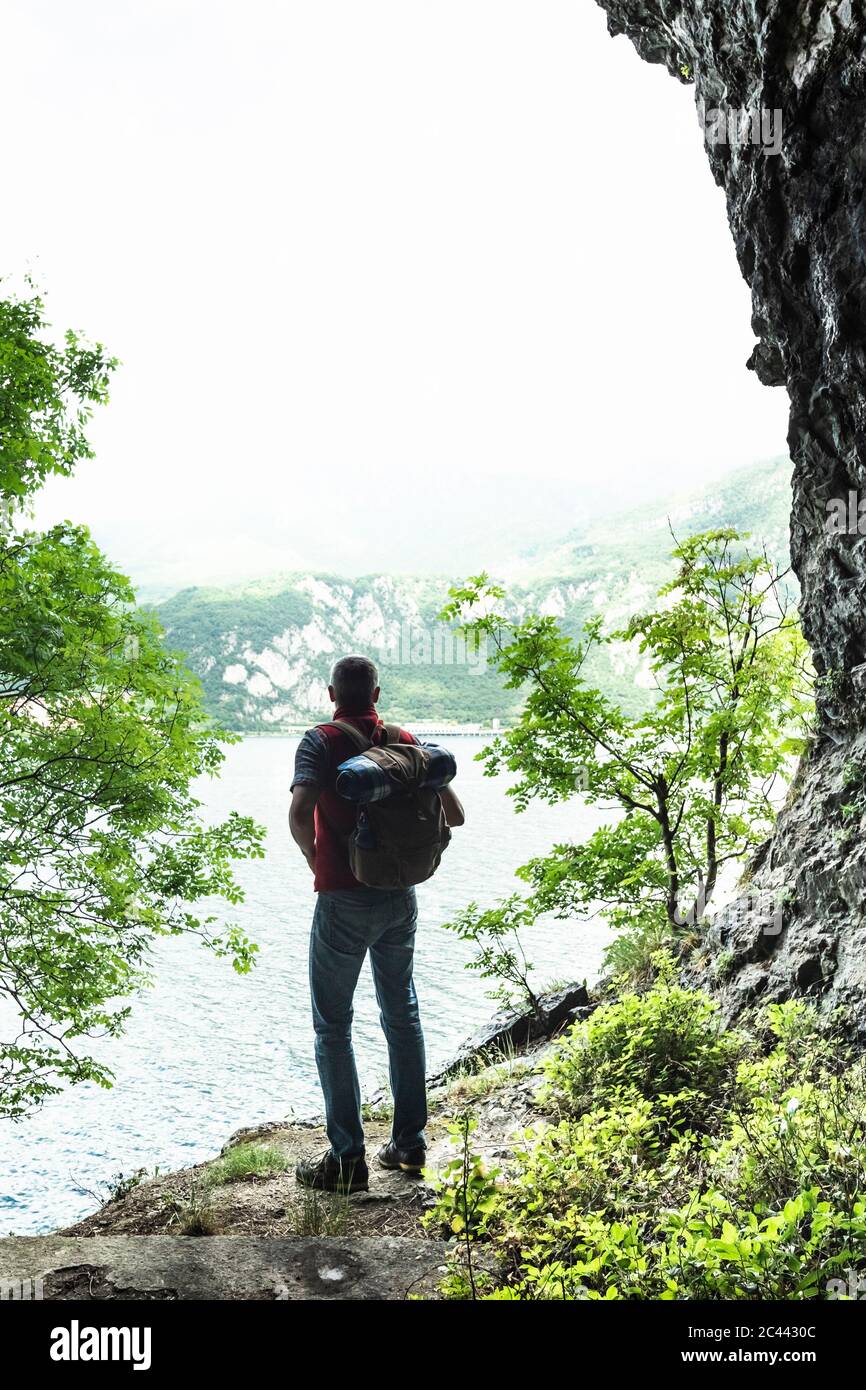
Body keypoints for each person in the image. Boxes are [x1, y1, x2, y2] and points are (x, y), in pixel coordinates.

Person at [289, 654, 465, 1193]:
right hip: (399, 897)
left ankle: (346, 1161)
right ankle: (409, 1147)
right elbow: (453, 814)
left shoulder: (320, 742)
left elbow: (299, 816)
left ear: (330, 693)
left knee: (332, 1025)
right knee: (402, 1014)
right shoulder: (402, 738)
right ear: (378, 694)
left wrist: (319, 863)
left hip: (343, 899)